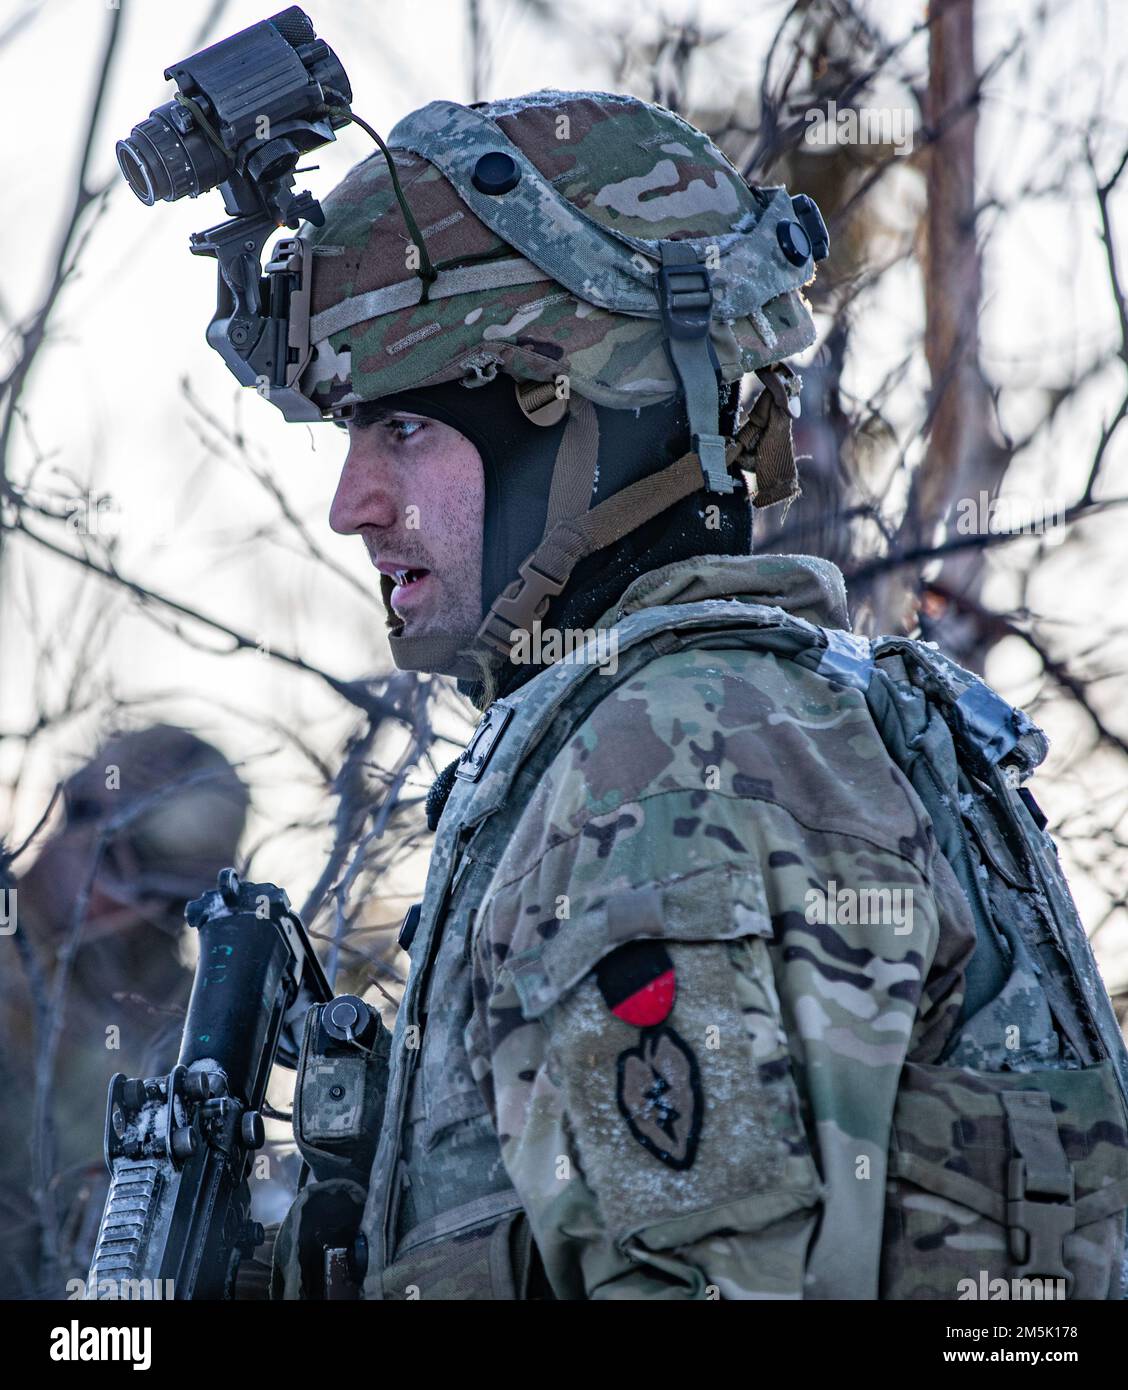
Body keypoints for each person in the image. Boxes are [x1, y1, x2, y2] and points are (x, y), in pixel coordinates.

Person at [255, 89, 1127, 1300]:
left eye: (404, 427)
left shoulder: (667, 749)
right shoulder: (785, 711)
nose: (351, 502)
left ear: (579, 426)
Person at [0, 724, 248, 1298]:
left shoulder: (184, 1025)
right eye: (118, 861)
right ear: (76, 817)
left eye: (166, 898)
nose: (131, 909)